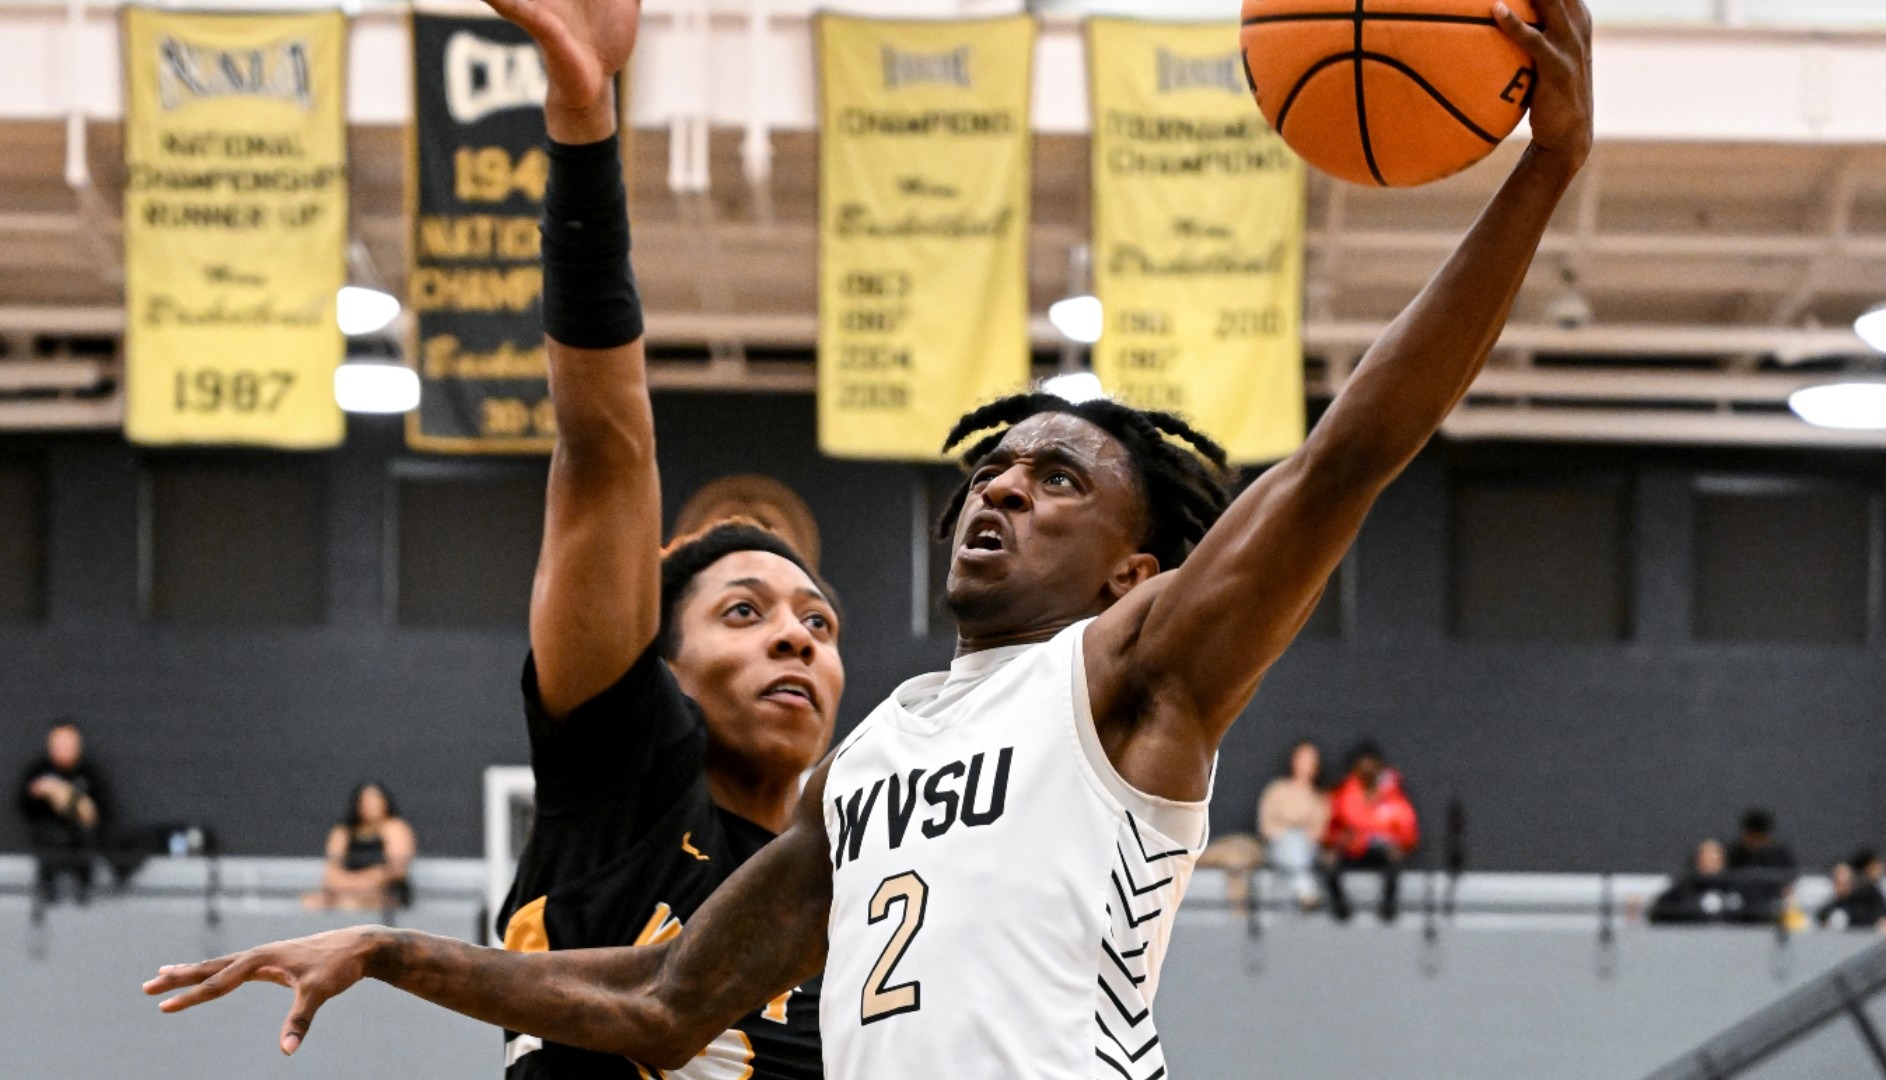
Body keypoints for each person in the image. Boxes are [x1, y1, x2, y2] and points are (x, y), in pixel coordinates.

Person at [144, 0, 1595, 1074]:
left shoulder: (1133, 671)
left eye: (1057, 481)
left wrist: (1541, 174)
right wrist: (393, 949)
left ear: (1136, 573)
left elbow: (1350, 455)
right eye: (994, 468)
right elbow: (667, 999)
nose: (1001, 490)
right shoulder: (877, 753)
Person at [1318, 741, 1419, 923]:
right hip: (1351, 848)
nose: (1367, 770)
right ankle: (1340, 904)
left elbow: (1408, 832)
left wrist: (1395, 841)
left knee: (1395, 855)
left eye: (1372, 765)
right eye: (1362, 766)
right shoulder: (1343, 794)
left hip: (1379, 850)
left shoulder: (1393, 796)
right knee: (1328, 859)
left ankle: (1388, 905)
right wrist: (1339, 838)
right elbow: (1329, 830)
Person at [17, 720, 108, 905]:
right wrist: (37, 791)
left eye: (69, 743)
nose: (64, 748)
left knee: (84, 837)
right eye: (59, 743)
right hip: (48, 834)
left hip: (80, 836)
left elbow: (101, 810)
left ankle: (83, 886)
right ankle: (48, 888)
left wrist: (69, 797)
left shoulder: (88, 774)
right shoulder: (39, 770)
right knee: (50, 837)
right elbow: (23, 805)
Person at [305, 783, 416, 912]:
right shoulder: (343, 831)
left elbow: (395, 870)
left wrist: (363, 882)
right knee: (312, 903)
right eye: (365, 801)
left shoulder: (394, 827)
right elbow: (331, 873)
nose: (370, 805)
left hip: (385, 893)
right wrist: (349, 884)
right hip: (346, 891)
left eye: (375, 800)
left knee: (350, 905)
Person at [1257, 740, 1329, 910]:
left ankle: (1305, 891)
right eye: (1302, 759)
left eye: (1310, 760)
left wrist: (1299, 835)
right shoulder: (1277, 790)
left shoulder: (1319, 798)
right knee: (1291, 840)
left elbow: (1319, 831)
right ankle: (1307, 891)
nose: (1306, 764)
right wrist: (1288, 834)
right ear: (1293, 761)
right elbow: (1266, 825)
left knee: (1297, 840)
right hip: (1278, 847)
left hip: (1306, 850)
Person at [1725, 808, 1797, 925]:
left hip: (1772, 906)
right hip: (1740, 910)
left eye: (1759, 837)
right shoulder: (1734, 853)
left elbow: (1789, 880)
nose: (1755, 842)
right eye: (1752, 837)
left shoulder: (1781, 854)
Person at [1648, 839, 1742, 924]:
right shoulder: (1683, 888)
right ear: (1697, 860)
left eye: (1715, 859)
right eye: (1706, 858)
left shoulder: (1735, 887)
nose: (1711, 863)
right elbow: (1660, 911)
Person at [1816, 850, 1886, 934]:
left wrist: (1884, 921)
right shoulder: (1835, 904)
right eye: (1837, 882)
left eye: (1845, 882)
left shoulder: (1870, 895)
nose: (1841, 886)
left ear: (1852, 880)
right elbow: (1822, 917)